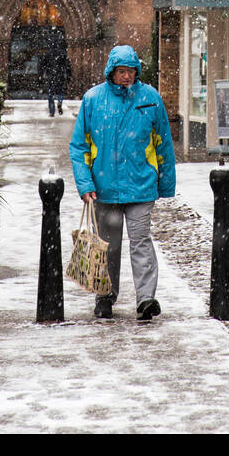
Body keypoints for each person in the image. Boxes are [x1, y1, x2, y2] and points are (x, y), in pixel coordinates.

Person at [69, 43, 176, 321]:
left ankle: (146, 299)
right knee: (108, 245)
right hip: (104, 189)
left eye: (130, 71)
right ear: (111, 72)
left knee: (141, 242)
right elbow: (78, 146)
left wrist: (165, 184)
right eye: (121, 71)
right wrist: (85, 184)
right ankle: (105, 296)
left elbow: (163, 142)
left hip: (141, 186)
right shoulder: (93, 100)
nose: (126, 76)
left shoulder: (150, 98)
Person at [40, 17, 71, 116]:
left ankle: (52, 111)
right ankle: (60, 102)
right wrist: (68, 75)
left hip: (51, 76)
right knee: (60, 92)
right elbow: (67, 65)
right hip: (60, 75)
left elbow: (42, 65)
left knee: (50, 94)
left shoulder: (48, 54)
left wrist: (41, 75)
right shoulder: (62, 54)